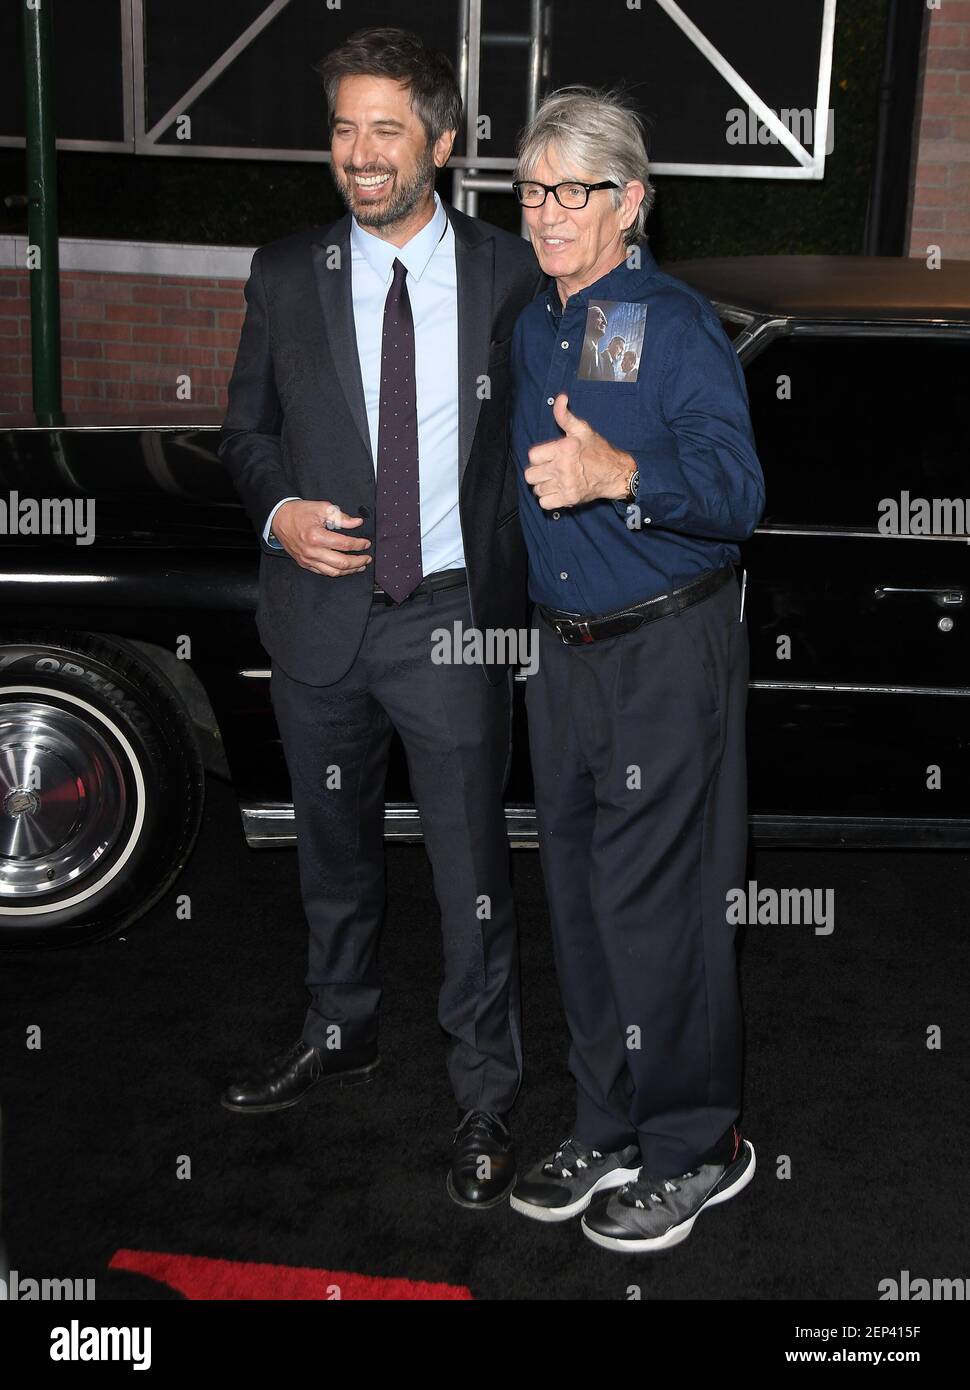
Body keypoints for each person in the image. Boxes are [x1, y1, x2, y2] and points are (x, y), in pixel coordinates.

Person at [217, 26, 545, 1209]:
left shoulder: (511, 276)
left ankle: (484, 1095)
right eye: (344, 128)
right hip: (317, 619)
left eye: (386, 129)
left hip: (454, 624)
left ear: (443, 145)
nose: (360, 153)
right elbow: (243, 435)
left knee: (471, 876)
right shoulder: (283, 269)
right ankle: (339, 1029)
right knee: (333, 856)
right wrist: (281, 511)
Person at [506, 86, 765, 1252]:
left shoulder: (675, 322)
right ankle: (608, 1120)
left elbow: (737, 496)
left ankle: (696, 1145)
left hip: (666, 648)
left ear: (632, 202)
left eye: (577, 190)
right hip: (563, 661)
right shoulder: (536, 323)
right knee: (578, 899)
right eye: (532, 188)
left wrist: (620, 474)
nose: (550, 211)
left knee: (657, 907)